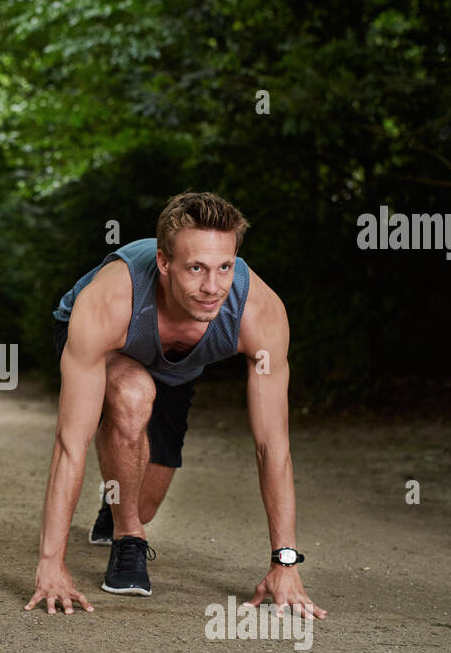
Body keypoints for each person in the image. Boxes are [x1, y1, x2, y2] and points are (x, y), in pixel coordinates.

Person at [25, 192, 326, 621]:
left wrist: (285, 563)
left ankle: (118, 505)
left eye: (225, 267)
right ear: (165, 262)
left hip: (177, 368)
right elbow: (72, 442)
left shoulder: (259, 312)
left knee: (141, 501)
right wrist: (51, 563)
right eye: (196, 268)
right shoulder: (108, 303)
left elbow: (272, 445)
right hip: (115, 347)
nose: (212, 287)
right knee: (132, 396)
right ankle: (128, 539)